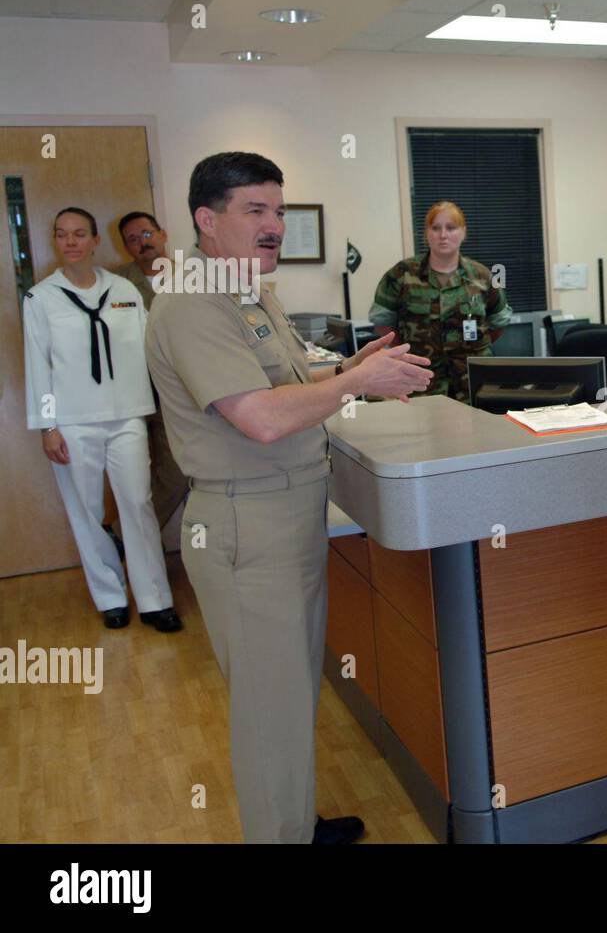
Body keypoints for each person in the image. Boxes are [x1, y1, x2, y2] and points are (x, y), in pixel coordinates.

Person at [145, 152, 433, 843]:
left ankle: (294, 825)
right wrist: (355, 385)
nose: (274, 224)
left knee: (290, 693)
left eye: (278, 210)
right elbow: (262, 418)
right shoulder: (193, 302)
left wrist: (351, 367)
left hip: (287, 515)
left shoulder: (249, 291)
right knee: (268, 709)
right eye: (255, 210)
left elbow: (286, 386)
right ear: (207, 219)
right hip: (247, 524)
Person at [23, 207, 178, 632]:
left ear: (95, 241)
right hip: (73, 421)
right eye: (62, 234)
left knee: (138, 504)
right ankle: (111, 597)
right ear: (55, 241)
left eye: (79, 234)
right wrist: (48, 426)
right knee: (87, 512)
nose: (70, 242)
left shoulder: (123, 290)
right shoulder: (41, 298)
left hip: (127, 415)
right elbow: (38, 366)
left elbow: (151, 350)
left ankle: (155, 599)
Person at [369, 200, 512, 403]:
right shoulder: (402, 274)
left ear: (463, 232)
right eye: (436, 228)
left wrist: (469, 349)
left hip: (473, 383)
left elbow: (499, 322)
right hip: (421, 381)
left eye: (451, 228)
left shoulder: (483, 276)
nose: (443, 235)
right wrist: (407, 351)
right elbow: (382, 322)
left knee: (478, 424)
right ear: (427, 233)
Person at [114, 211, 188, 530]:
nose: (142, 243)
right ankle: (136, 543)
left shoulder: (192, 277)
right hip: (132, 392)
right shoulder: (115, 284)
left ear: (162, 234)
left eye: (146, 234)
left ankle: (125, 536)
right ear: (126, 248)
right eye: (132, 239)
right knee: (129, 475)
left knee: (177, 472)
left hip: (180, 391)